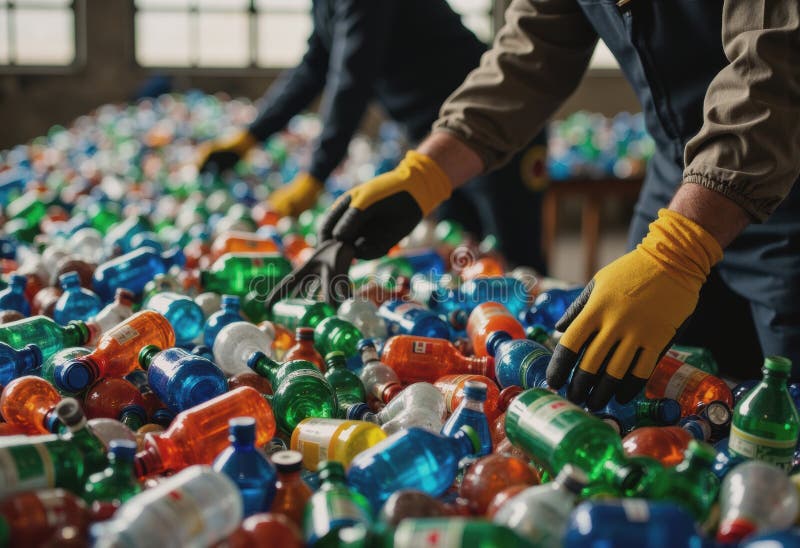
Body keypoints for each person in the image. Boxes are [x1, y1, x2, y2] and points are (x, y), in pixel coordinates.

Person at [319, 0, 800, 408]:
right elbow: (529, 54)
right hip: (677, 185)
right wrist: (426, 173)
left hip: (784, 184)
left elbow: (775, 69)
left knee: (783, 406)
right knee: (646, 395)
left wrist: (679, 248)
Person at [197, 0, 549, 271]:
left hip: (498, 135)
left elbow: (352, 77)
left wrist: (316, 174)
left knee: (518, 265)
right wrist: (249, 138)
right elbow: (314, 66)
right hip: (440, 146)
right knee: (461, 258)